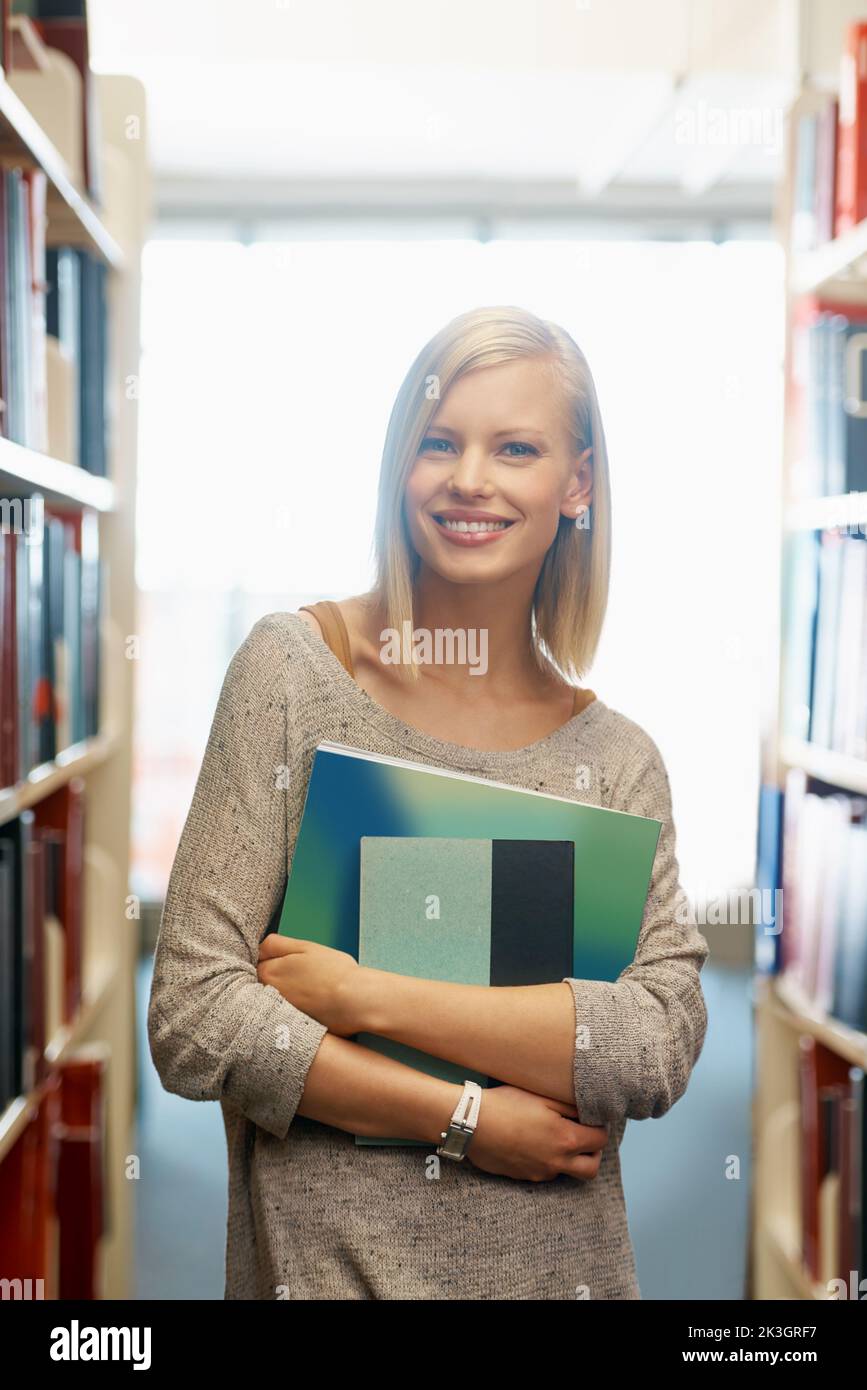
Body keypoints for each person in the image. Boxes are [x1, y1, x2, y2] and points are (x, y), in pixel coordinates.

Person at [147, 304, 709, 1300]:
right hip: (329, 1276)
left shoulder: (617, 760)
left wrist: (369, 997)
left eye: (517, 447)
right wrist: (469, 1118)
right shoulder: (294, 675)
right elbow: (195, 1016)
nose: (470, 479)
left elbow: (657, 1042)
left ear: (577, 483)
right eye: (439, 442)